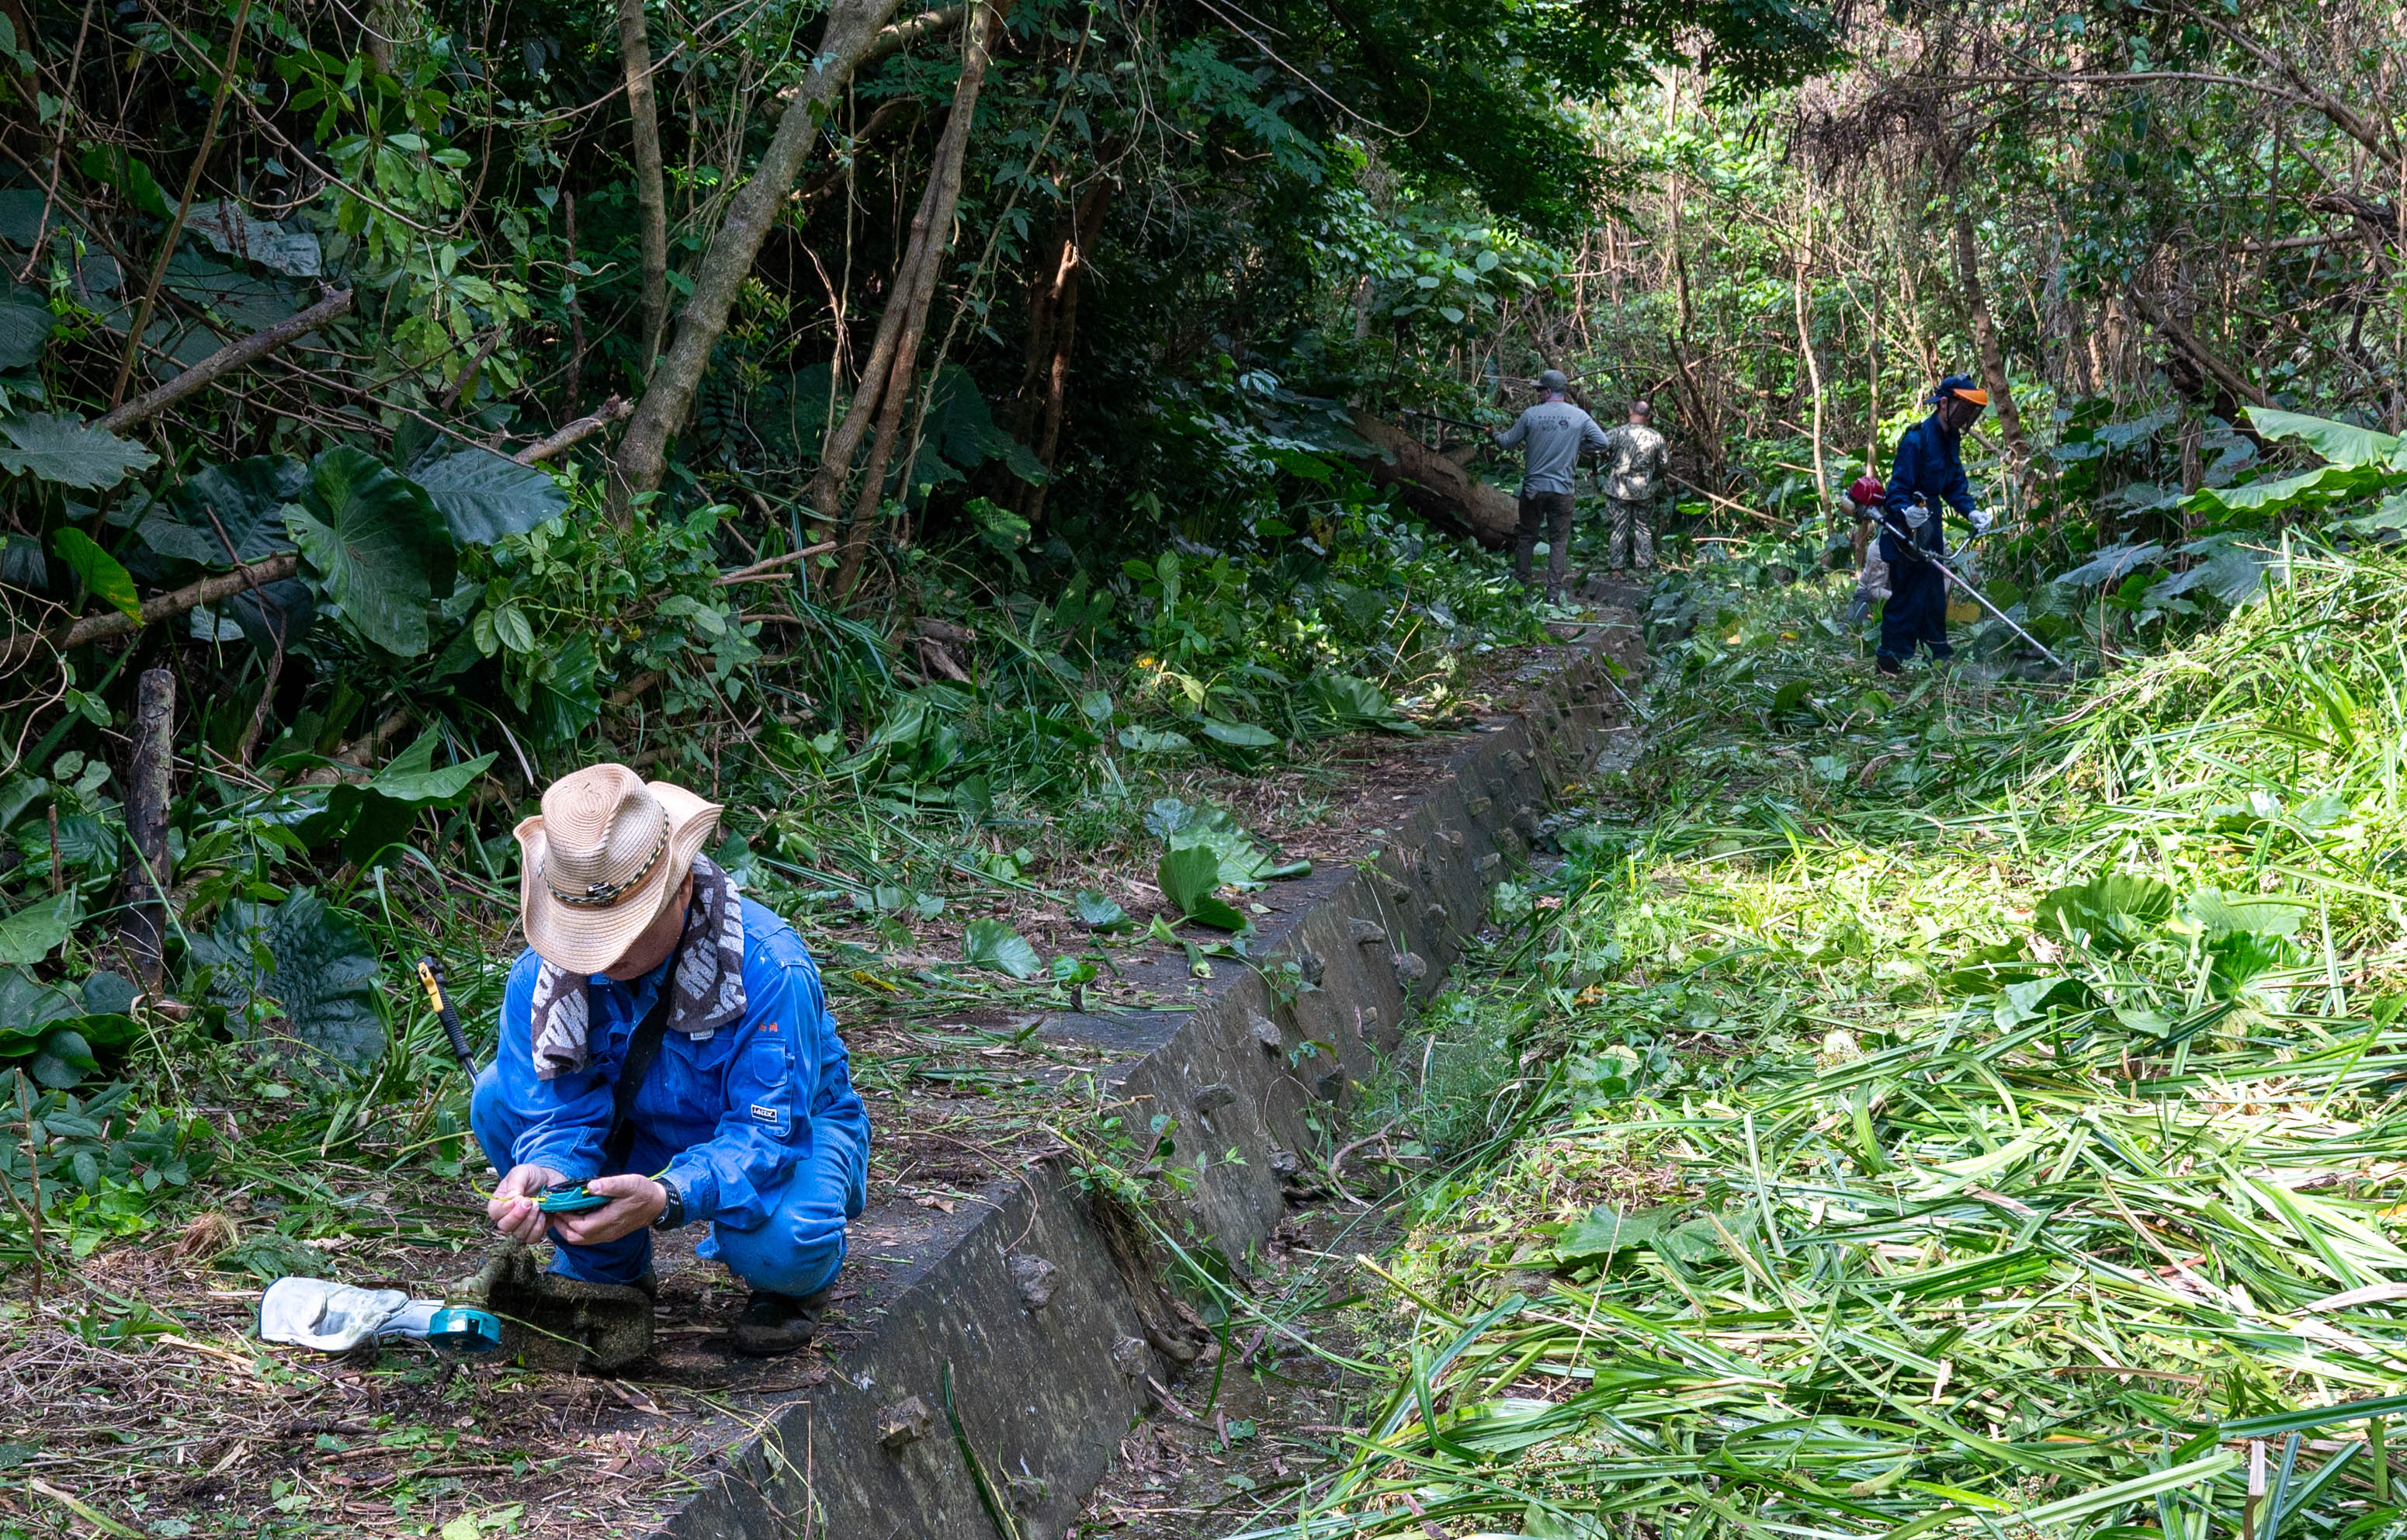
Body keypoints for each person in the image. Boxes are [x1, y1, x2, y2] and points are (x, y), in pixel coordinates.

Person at [472, 764, 871, 1356]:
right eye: (585, 934)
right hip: (639, 1128)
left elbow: (766, 1134)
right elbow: (553, 1109)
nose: (601, 956)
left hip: (785, 1130)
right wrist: (551, 1170)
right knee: (494, 1097)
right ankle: (608, 1267)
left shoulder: (769, 967)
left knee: (785, 1245)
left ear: (682, 888)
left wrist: (670, 1196)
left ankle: (794, 1289)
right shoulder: (539, 976)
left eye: (624, 930)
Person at [1875, 374, 1994, 675]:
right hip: (1905, 532)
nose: (1967, 415)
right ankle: (1890, 662)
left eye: (1971, 410)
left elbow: (1953, 485)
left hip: (1931, 527)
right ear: (1944, 403)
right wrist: (1905, 512)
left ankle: (1939, 659)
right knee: (1908, 596)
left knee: (1933, 596)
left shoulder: (1951, 438)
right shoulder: (1915, 440)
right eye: (1963, 407)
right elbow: (1896, 491)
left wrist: (1971, 512)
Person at [1491, 368, 1608, 602]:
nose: (1538, 394)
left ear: (1547, 391)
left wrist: (1492, 433)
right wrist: (1577, 446)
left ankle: (1520, 588)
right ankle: (1553, 595)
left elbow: (1506, 443)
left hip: (1533, 489)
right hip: (1562, 491)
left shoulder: (1531, 415)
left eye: (1539, 390)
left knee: (1527, 537)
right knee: (1558, 542)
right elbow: (1602, 442)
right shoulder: (1580, 417)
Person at [1597, 399, 1670, 574]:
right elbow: (1664, 465)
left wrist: (1607, 460)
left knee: (1618, 529)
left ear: (1631, 411)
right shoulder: (1656, 437)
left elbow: (1597, 448)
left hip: (1618, 490)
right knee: (1643, 528)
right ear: (1649, 416)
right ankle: (1644, 569)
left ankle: (1616, 569)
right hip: (1644, 490)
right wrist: (1654, 477)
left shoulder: (1617, 433)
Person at [1843, 471, 1889, 622]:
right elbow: (1875, 591)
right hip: (1870, 596)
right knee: (1852, 627)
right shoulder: (1878, 547)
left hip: (1898, 594)